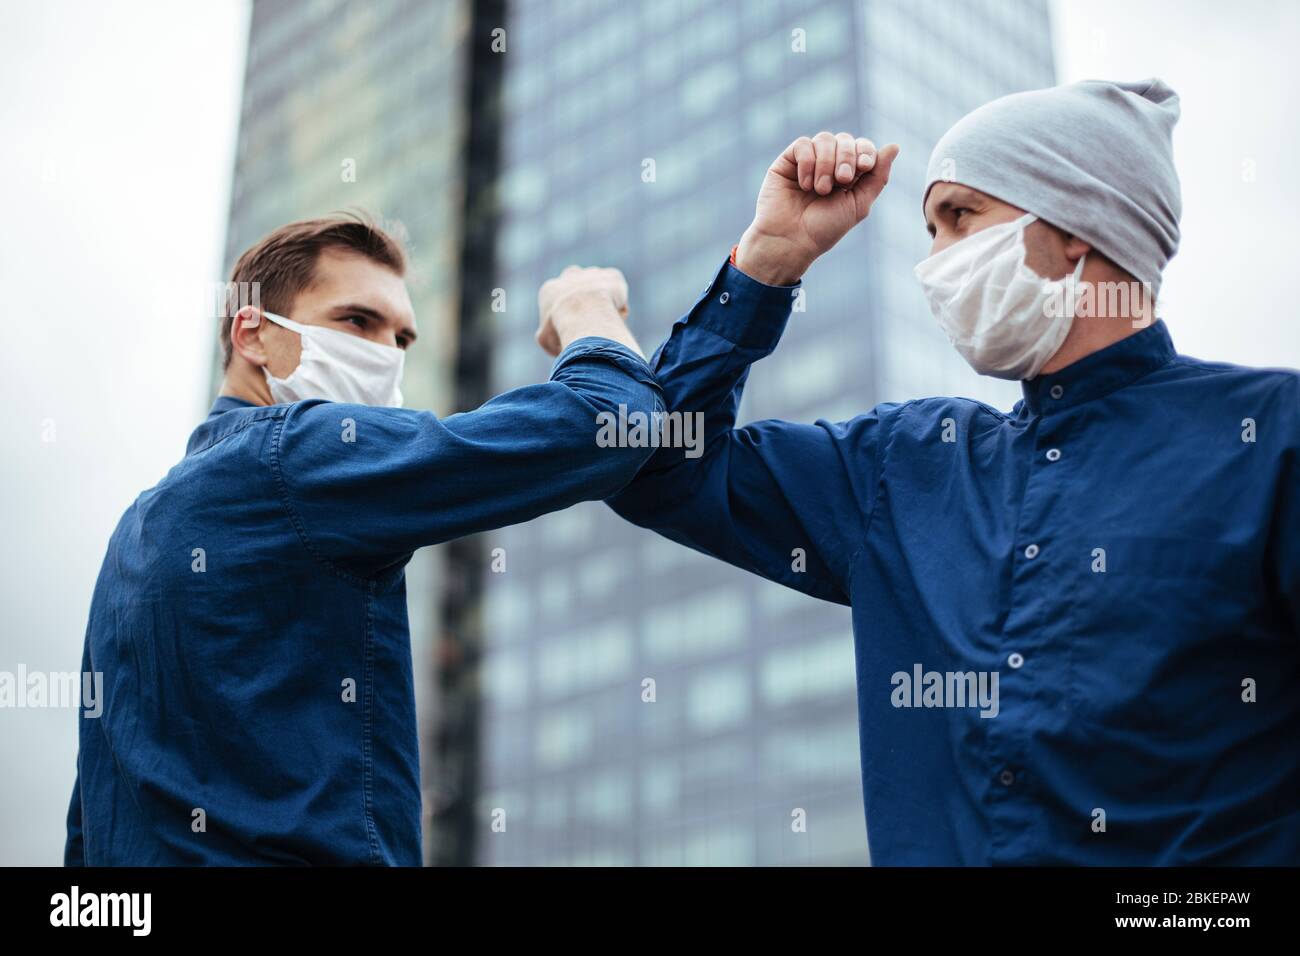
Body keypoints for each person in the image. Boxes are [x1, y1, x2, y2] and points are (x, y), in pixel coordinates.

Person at [580, 80, 1300, 864]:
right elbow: (658, 469)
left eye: (960, 217)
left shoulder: (1269, 436)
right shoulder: (906, 464)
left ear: (1076, 231)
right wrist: (766, 265)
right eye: (930, 228)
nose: (934, 264)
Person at [66, 213, 657, 865]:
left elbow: (90, 817)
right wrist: (583, 307)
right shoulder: (295, 455)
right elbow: (612, 422)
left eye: (401, 337)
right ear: (253, 333)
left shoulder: (131, 534)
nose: (387, 355)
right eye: (357, 322)